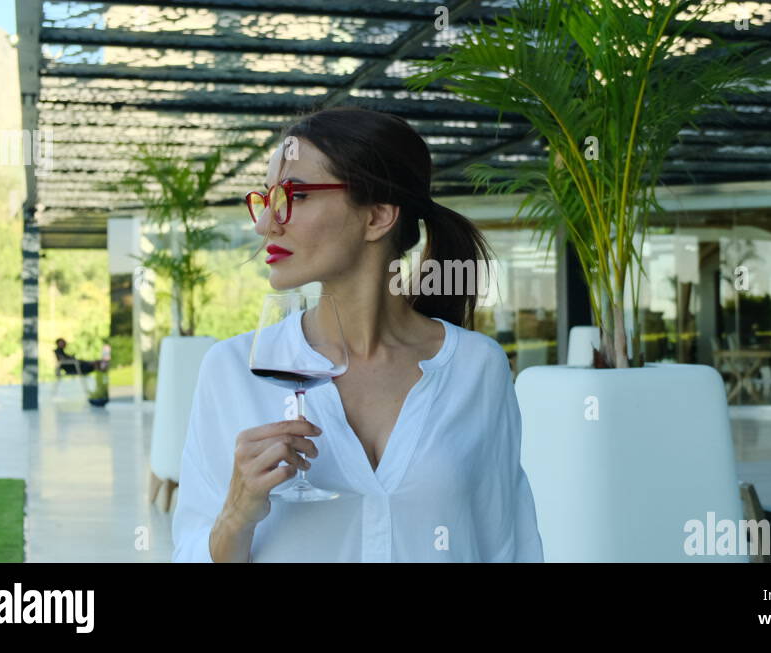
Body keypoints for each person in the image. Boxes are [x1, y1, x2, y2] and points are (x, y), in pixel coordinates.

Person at [171, 107, 544, 563]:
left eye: (296, 195)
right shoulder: (234, 369)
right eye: (266, 197)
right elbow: (189, 550)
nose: (265, 222)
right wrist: (236, 513)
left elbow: (507, 546)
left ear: (378, 216)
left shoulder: (477, 367)